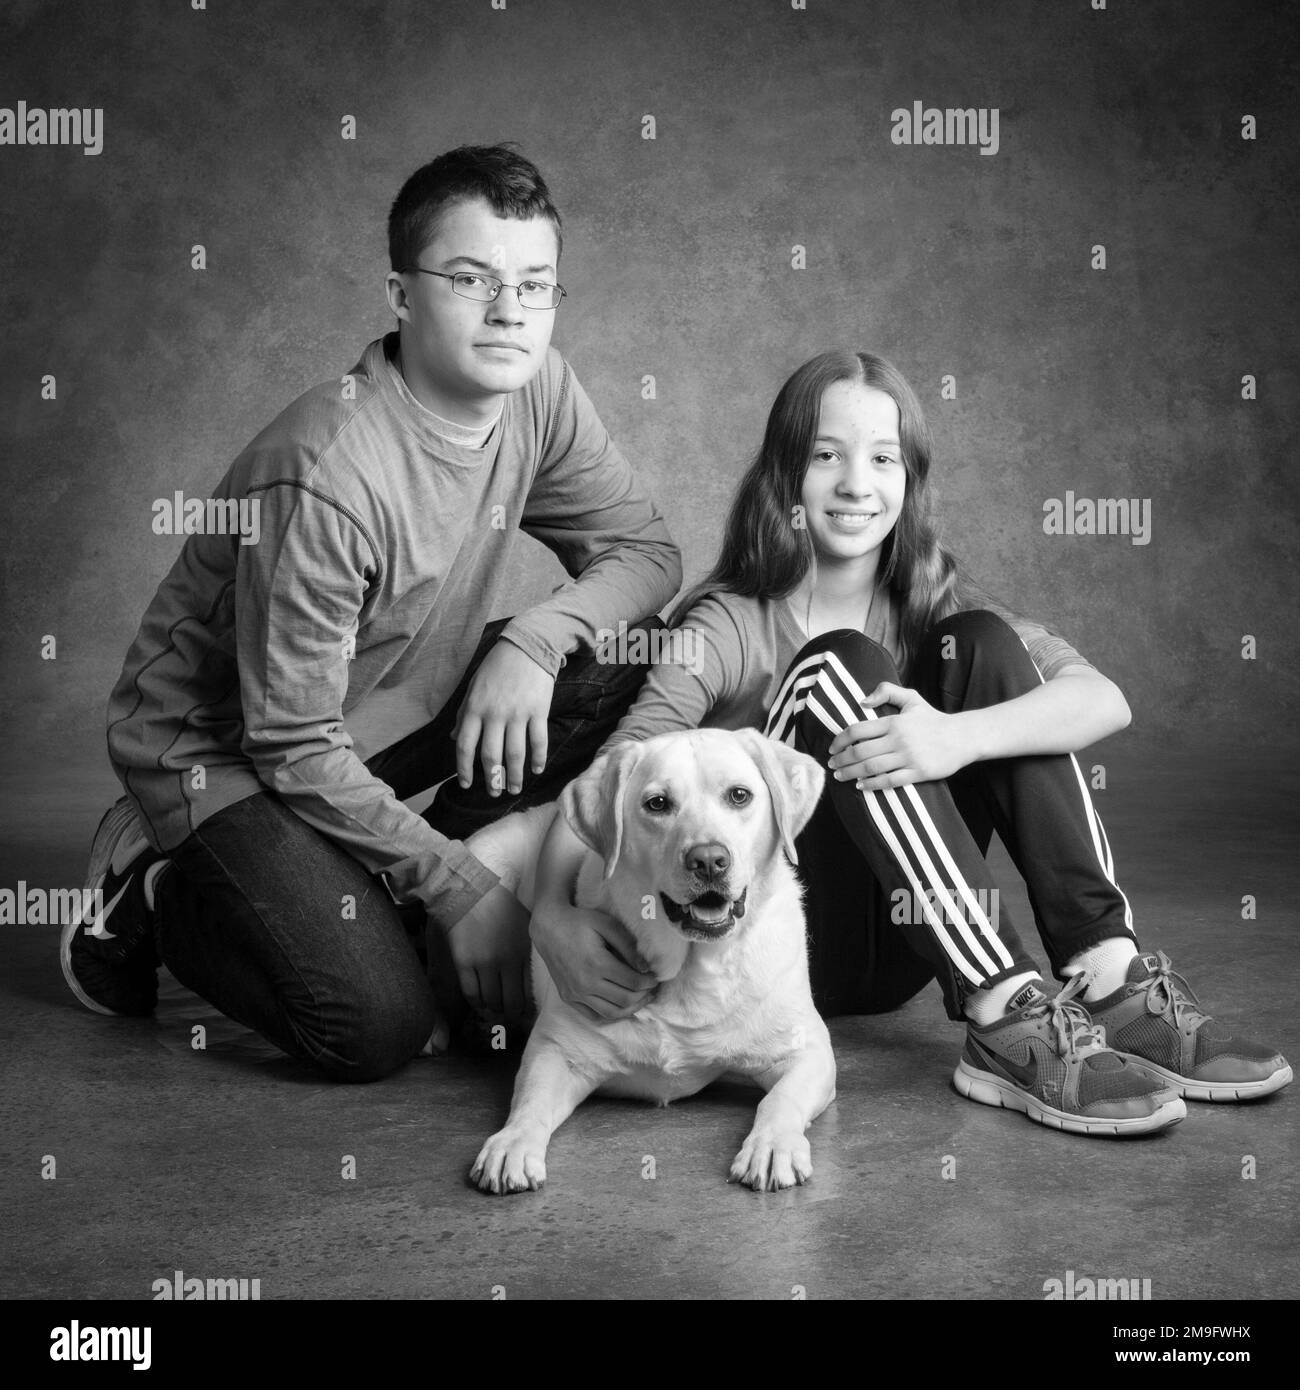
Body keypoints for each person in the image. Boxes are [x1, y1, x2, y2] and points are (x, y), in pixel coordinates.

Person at [528, 349, 1290, 1136]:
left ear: (908, 480)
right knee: (838, 671)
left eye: (883, 459)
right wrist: (551, 913)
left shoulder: (934, 608)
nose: (857, 483)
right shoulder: (730, 620)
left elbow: (1104, 700)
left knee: (989, 647)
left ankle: (1112, 977)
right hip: (775, 947)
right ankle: (1002, 1012)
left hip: (904, 945)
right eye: (826, 455)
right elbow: (619, 769)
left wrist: (952, 738)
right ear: (783, 477)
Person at [62, 144, 678, 1080]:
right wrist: (461, 886)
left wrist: (541, 642)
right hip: (229, 757)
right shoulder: (327, 473)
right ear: (401, 295)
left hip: (382, 707)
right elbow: (291, 744)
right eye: (471, 278)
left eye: (536, 284)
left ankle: (423, 905)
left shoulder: (538, 387)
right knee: (373, 1028)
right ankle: (158, 894)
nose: (510, 311)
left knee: (627, 654)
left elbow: (647, 552)